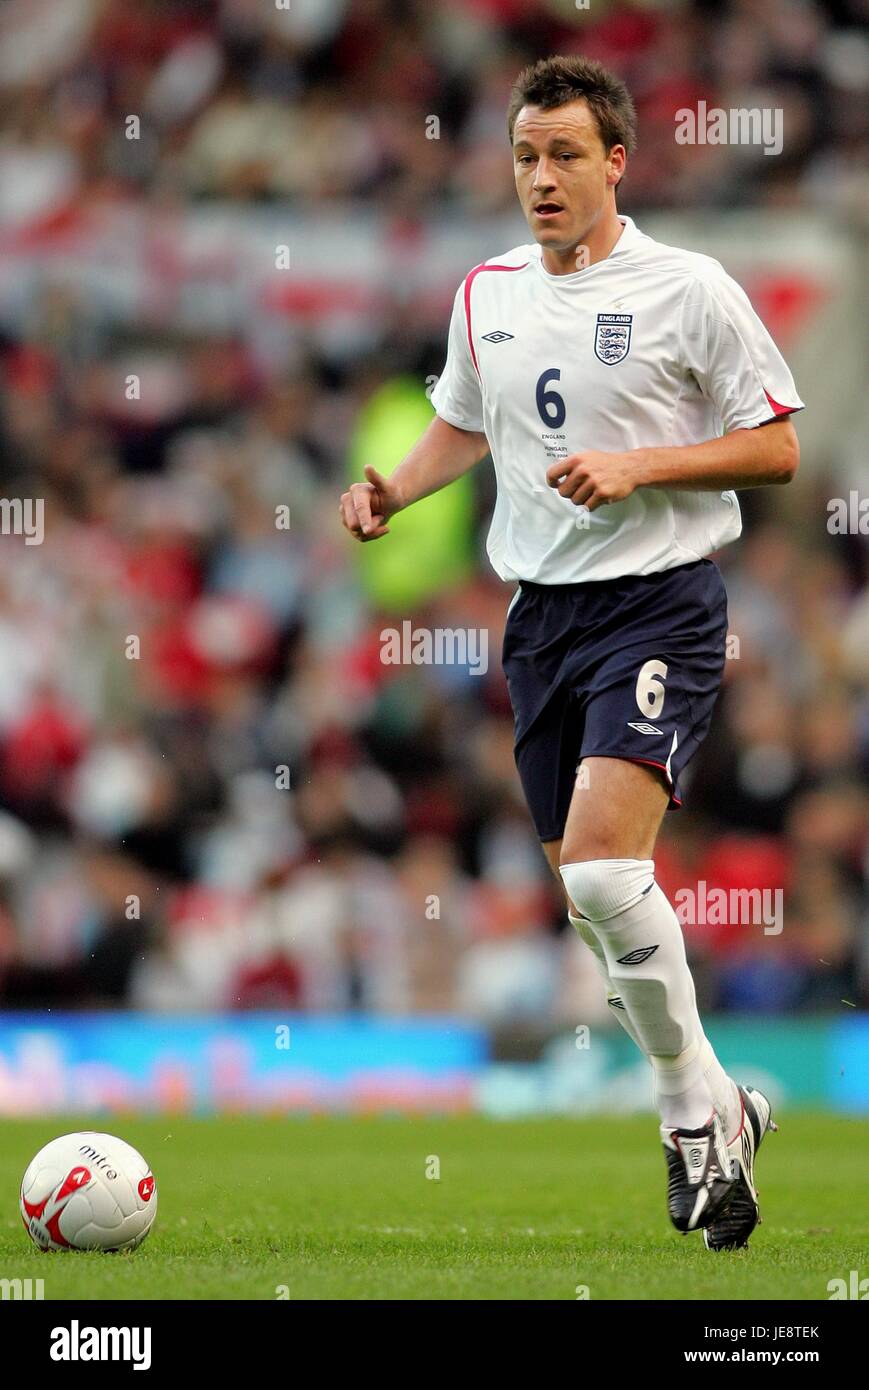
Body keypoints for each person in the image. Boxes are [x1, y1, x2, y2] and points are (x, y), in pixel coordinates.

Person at [339, 55, 802, 1249]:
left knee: (603, 873)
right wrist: (396, 488)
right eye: (523, 156)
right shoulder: (485, 290)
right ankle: (720, 1103)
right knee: (595, 904)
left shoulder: (686, 287)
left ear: (615, 162)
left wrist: (639, 465)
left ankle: (680, 1115)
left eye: (562, 156)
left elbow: (774, 449)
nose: (539, 178)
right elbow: (461, 420)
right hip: (539, 618)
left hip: (656, 603)